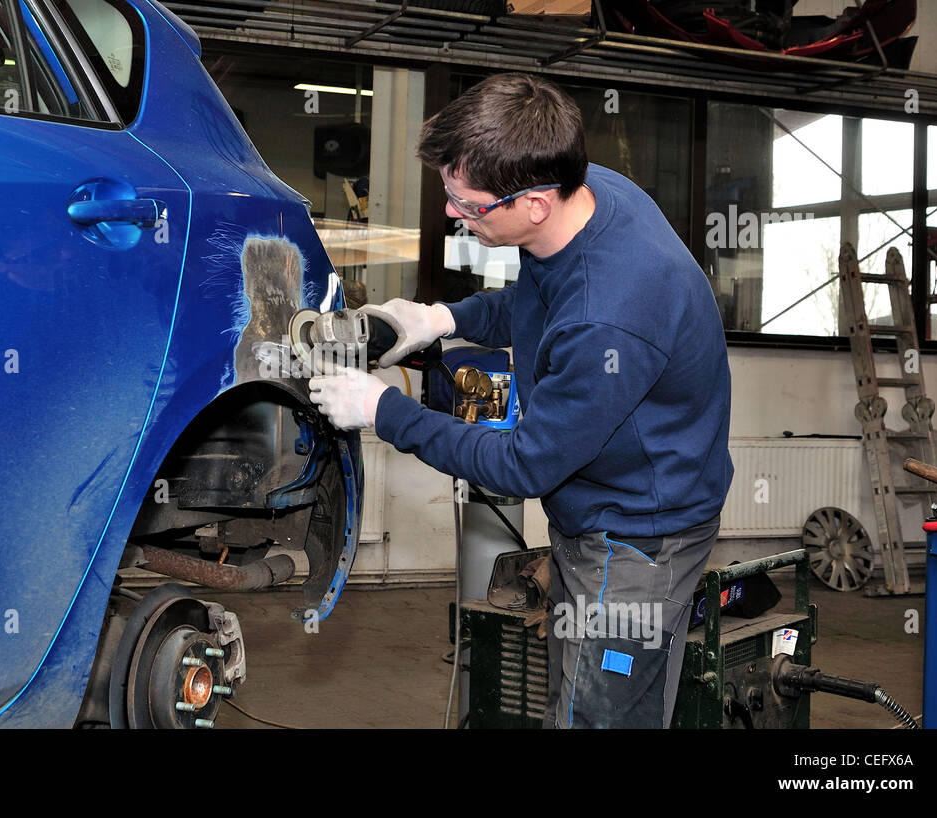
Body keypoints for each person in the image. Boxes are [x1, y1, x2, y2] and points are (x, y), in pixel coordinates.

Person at [308, 72, 733, 729]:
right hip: (592, 517)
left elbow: (523, 466)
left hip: (638, 541)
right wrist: (441, 319)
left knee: (601, 716)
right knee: (578, 696)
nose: (453, 213)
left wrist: (381, 411)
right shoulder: (588, 191)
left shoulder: (611, 313)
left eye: (468, 204)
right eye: (449, 194)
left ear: (533, 203)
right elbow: (539, 303)